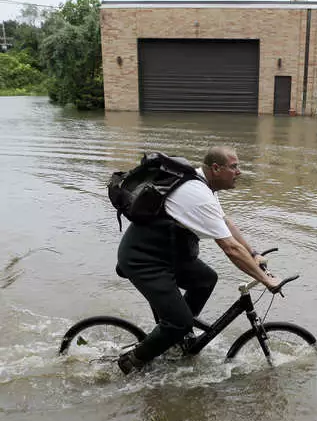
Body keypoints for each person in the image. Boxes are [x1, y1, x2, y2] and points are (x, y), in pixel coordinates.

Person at [116, 145, 280, 374]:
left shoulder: (203, 186)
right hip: (145, 260)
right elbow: (230, 248)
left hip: (168, 255)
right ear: (216, 168)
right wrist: (265, 279)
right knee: (179, 321)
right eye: (234, 167)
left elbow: (226, 223)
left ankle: (175, 337)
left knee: (205, 279)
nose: (239, 172)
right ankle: (131, 361)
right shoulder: (197, 194)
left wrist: (253, 253)